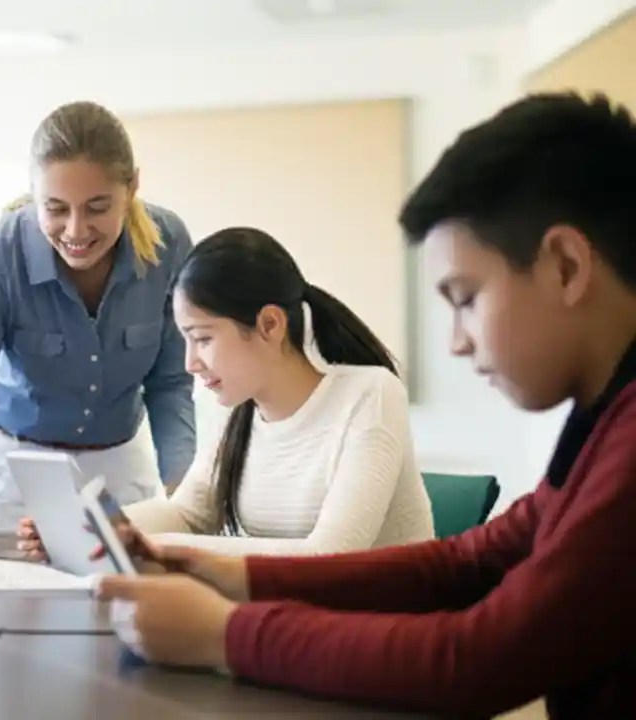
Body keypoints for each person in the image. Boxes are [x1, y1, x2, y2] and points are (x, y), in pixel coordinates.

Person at [93, 92, 636, 718]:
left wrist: (224, 632)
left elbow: (478, 658)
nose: (457, 341)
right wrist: (232, 577)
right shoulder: (603, 423)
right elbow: (471, 558)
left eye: (465, 298)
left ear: (566, 266)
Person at [18, 227, 434, 560]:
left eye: (202, 338)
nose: (190, 363)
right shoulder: (238, 412)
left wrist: (158, 549)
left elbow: (332, 556)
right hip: (297, 629)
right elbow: (188, 515)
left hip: (387, 637)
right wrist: (93, 527)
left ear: (270, 325)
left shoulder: (371, 396)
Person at [0, 100, 196, 555]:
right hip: (11, 469)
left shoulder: (168, 245)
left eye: (97, 207)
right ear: (33, 193)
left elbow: (171, 386)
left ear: (133, 187)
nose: (76, 230)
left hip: (119, 465)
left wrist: (187, 505)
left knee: (125, 610)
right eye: (56, 208)